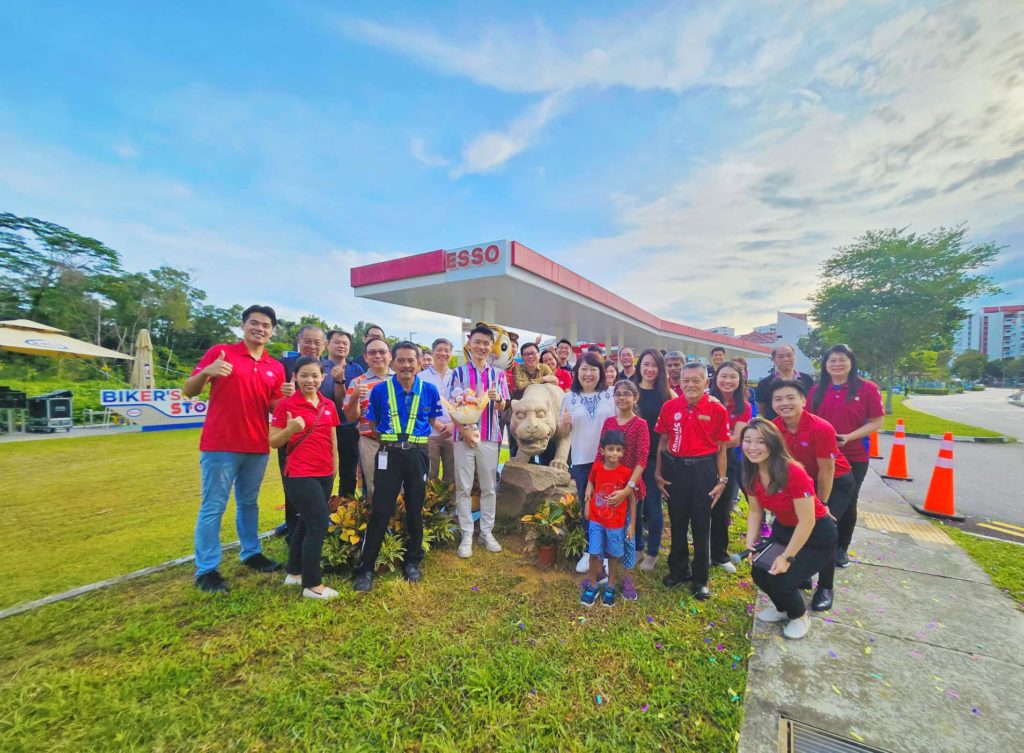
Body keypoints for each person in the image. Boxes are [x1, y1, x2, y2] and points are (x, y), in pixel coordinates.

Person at [184, 304, 285, 593]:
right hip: (221, 443)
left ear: (272, 331)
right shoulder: (221, 352)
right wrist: (208, 372)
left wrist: (286, 397)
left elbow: (272, 405)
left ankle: (251, 553)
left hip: (256, 443)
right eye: (254, 323)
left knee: (248, 502)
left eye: (266, 325)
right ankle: (206, 570)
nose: (260, 329)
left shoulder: (274, 367)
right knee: (213, 505)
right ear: (243, 326)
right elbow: (189, 390)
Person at [352, 342, 447, 592]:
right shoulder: (381, 390)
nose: (406, 365)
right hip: (389, 455)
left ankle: (413, 561)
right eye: (401, 360)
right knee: (381, 509)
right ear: (393, 363)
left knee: (415, 509)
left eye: (411, 360)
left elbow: (432, 419)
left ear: (418, 363)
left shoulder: (429, 390)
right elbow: (372, 425)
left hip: (417, 455)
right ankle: (366, 567)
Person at [740, 418, 838, 640]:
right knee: (760, 571)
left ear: (773, 444)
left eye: (760, 442)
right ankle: (783, 609)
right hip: (784, 529)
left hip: (816, 534)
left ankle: (800, 616)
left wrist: (787, 557)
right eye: (747, 441)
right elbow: (756, 511)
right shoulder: (751, 472)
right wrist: (751, 540)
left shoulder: (793, 472)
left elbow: (807, 521)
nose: (752, 447)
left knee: (783, 577)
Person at [771, 379, 855, 611]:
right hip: (803, 484)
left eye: (790, 398)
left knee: (823, 529)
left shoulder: (821, 427)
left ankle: (826, 587)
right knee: (798, 528)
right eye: (778, 399)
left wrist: (823, 504)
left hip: (835, 483)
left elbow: (827, 470)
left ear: (803, 401)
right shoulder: (774, 428)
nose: (784, 403)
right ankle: (802, 574)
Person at [654, 362, 730, 600]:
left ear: (706, 382)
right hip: (676, 470)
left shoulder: (717, 410)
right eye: (686, 380)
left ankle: (701, 578)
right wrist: (658, 473)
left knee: (701, 524)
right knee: (677, 522)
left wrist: (722, 480)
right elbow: (663, 442)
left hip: (704, 471)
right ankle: (678, 570)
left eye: (696, 380)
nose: (690, 385)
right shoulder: (669, 406)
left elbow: (721, 449)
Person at [269, 356, 341, 600]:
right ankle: (312, 585)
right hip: (300, 474)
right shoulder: (285, 405)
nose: (310, 380)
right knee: (318, 524)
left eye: (315, 375)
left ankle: (295, 571)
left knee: (304, 523)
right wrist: (290, 429)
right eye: (304, 375)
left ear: (323, 377)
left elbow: (332, 440)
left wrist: (335, 468)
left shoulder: (328, 405)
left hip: (325, 472)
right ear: (295, 377)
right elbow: (273, 441)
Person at [807, 344, 884, 568]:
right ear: (825, 365)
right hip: (821, 456)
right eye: (832, 360)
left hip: (853, 455)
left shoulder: (867, 388)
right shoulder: (817, 390)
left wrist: (850, 436)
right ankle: (817, 544)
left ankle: (841, 547)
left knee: (848, 502)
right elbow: (809, 420)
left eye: (842, 360)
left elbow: (876, 421)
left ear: (851, 363)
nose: (837, 364)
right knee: (821, 499)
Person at [444, 324, 511, 558]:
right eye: (477, 342)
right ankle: (466, 535)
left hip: (490, 437)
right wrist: (463, 430)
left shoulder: (499, 374)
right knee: (463, 487)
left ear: (491, 346)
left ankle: (486, 532)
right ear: (469, 344)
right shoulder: (457, 373)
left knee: (488, 487)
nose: (481, 347)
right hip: (462, 438)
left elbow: (504, 406)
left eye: (486, 343)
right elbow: (451, 407)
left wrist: (499, 398)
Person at [560, 351, 616, 573]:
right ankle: (590, 551)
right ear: (576, 372)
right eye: (584, 369)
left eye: (593, 369)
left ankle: (606, 552)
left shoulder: (610, 394)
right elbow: (563, 431)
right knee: (588, 507)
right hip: (583, 460)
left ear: (601, 372)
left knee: (608, 505)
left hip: (609, 460)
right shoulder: (569, 397)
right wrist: (564, 423)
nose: (588, 373)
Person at [595, 380, 649, 601]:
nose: (622, 398)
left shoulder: (640, 424)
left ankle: (626, 578)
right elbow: (600, 455)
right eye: (618, 394)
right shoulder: (609, 422)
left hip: (630, 489)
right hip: (607, 488)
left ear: (635, 397)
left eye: (627, 394)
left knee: (628, 536)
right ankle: (606, 573)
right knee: (607, 531)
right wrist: (595, 484)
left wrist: (628, 489)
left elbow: (642, 459)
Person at [275, 325, 330, 538]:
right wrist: (283, 393)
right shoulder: (285, 365)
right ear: (298, 340)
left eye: (317, 342)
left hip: (321, 439)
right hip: (292, 437)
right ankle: (292, 527)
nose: (312, 346)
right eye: (307, 340)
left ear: (324, 345)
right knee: (292, 485)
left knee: (320, 485)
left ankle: (315, 525)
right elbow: (273, 399)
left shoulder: (329, 369)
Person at [580, 430, 636, 608]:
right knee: (594, 553)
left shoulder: (626, 472)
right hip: (596, 520)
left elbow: (632, 499)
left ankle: (610, 586)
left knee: (613, 555)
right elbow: (591, 482)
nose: (614, 454)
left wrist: (632, 524)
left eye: (619, 450)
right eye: (610, 449)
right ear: (602, 451)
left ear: (623, 453)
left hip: (616, 524)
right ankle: (593, 584)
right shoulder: (596, 467)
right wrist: (587, 504)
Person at [708, 361, 752, 574]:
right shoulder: (705, 399)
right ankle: (702, 551)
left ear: (740, 380)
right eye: (723, 376)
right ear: (716, 378)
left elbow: (736, 439)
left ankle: (719, 553)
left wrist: (708, 440)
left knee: (722, 508)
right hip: (701, 461)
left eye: (733, 377)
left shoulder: (744, 407)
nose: (727, 381)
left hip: (728, 462)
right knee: (701, 507)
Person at [634, 348, 673, 571]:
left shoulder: (666, 395)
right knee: (635, 505)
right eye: (646, 364)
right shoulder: (632, 390)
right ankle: (638, 546)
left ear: (660, 369)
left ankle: (652, 552)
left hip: (654, 459)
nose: (649, 369)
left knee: (653, 505)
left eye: (654, 365)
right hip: (632, 459)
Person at [342, 336, 393, 502]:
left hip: (398, 441)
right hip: (370, 441)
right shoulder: (357, 383)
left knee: (399, 485)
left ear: (390, 355)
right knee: (373, 486)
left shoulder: (401, 379)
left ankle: (399, 524)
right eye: (372, 352)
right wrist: (355, 396)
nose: (377, 356)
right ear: (365, 357)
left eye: (382, 352)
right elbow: (351, 417)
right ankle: (378, 523)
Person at [324, 330, 364, 498]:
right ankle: (323, 508)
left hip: (349, 427)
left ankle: (345, 509)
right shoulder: (319, 366)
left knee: (348, 471)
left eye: (345, 343)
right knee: (324, 470)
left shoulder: (356, 368)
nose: (341, 346)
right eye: (337, 342)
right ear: (327, 344)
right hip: (324, 427)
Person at [420, 337, 456, 486]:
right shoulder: (421, 377)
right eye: (439, 350)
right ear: (433, 352)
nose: (443, 353)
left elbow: (463, 403)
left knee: (452, 473)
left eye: (446, 350)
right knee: (430, 473)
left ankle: (450, 505)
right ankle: (430, 507)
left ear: (451, 354)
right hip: (430, 433)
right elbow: (419, 405)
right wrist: (435, 423)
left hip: (453, 432)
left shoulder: (456, 375)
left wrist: (453, 425)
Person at [755, 344, 814, 420]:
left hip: (804, 425)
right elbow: (761, 408)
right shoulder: (765, 383)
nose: (786, 359)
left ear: (795, 357)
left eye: (789, 355)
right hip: (775, 427)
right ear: (773, 359)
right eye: (780, 357)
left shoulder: (807, 379)